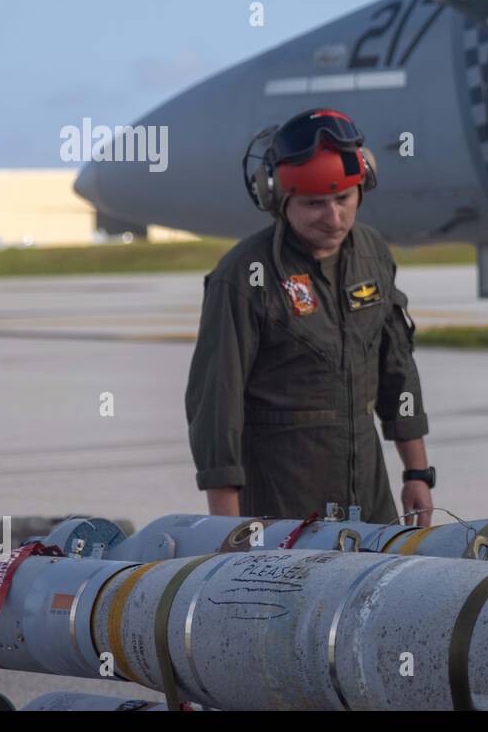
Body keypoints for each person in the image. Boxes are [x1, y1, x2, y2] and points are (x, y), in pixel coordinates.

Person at [185, 108, 435, 525]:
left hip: (369, 497)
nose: (334, 218)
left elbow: (397, 369)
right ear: (277, 200)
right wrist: (227, 530)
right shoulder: (245, 275)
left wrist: (417, 473)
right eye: (315, 203)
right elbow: (216, 406)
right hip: (282, 503)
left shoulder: (372, 254)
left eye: (344, 199)